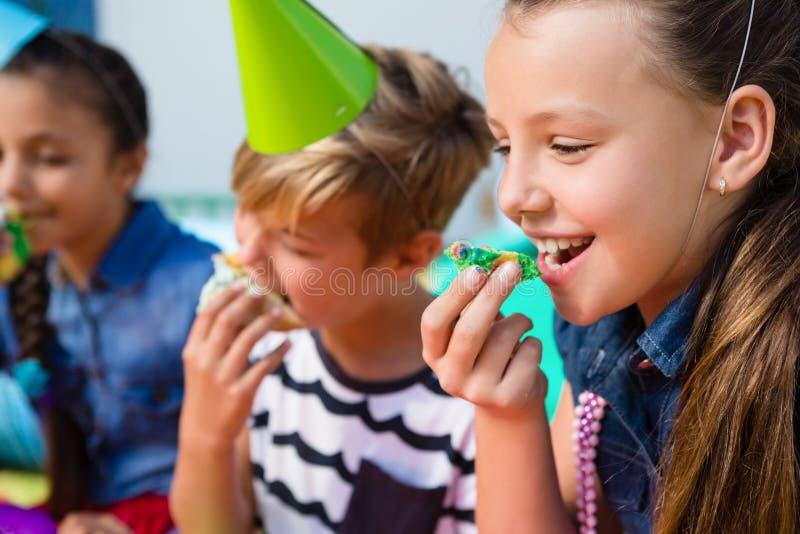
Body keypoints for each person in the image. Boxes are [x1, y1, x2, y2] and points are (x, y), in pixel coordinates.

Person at [420, 0, 800, 532]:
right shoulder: (599, 333)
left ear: (733, 140)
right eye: (505, 148)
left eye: (568, 146)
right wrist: (508, 414)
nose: (511, 196)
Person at [170, 45, 495, 533]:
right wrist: (203, 437)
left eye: (295, 245)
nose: (248, 256)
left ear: (408, 256)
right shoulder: (266, 348)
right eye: (247, 210)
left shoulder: (473, 402)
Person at [0, 29, 217, 533]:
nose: (11, 182)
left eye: (48, 158)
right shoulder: (23, 286)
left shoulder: (200, 287)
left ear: (128, 166)